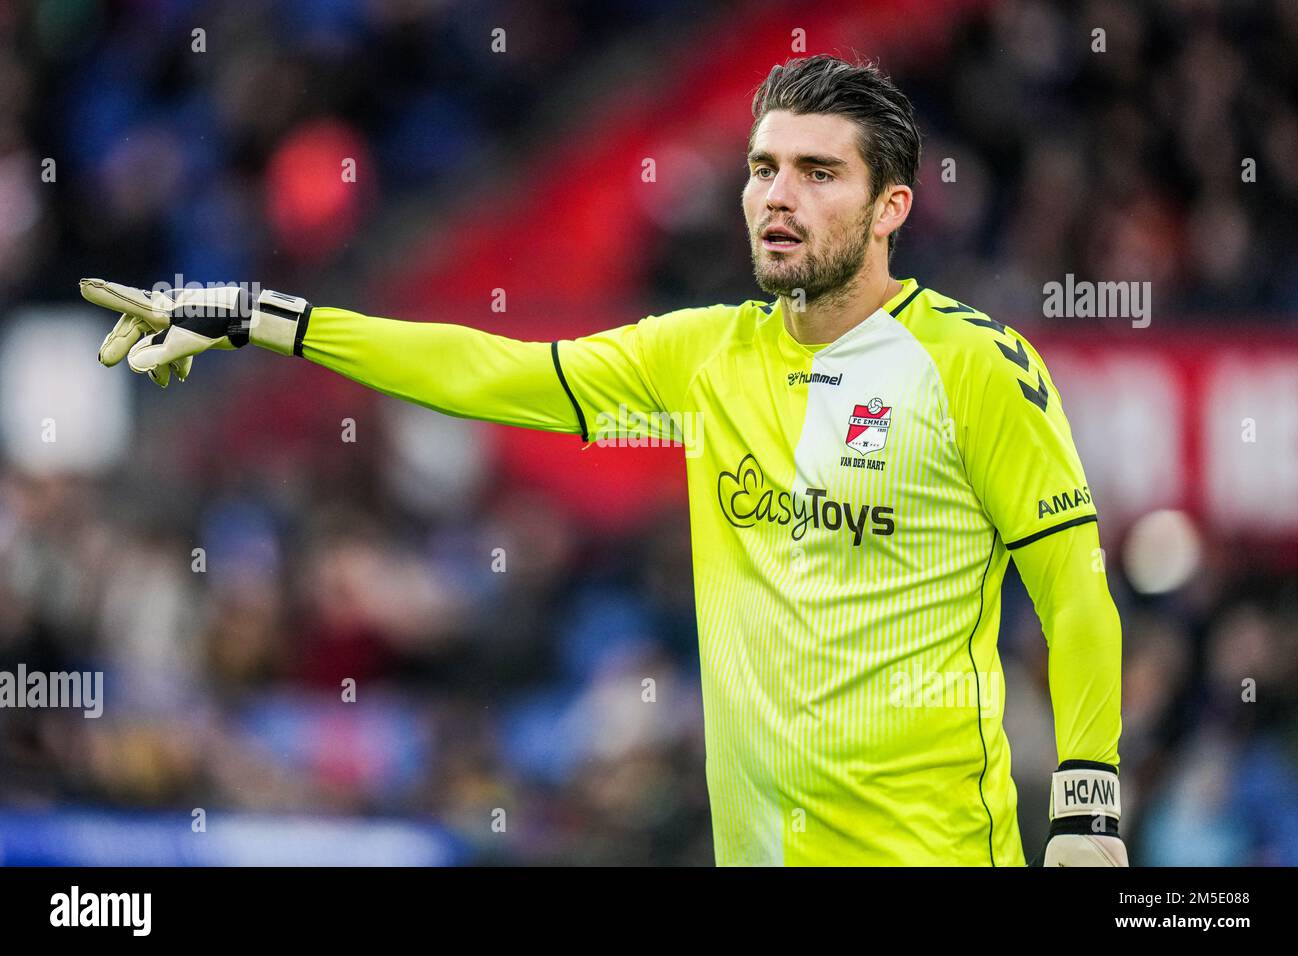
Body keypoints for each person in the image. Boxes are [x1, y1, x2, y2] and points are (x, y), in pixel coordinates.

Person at [81, 54, 1124, 867]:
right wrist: (270, 318)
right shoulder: (703, 355)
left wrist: (1087, 801)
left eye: (817, 172)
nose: (776, 196)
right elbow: (488, 371)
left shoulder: (974, 366)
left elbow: (1074, 595)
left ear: (890, 206)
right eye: (764, 168)